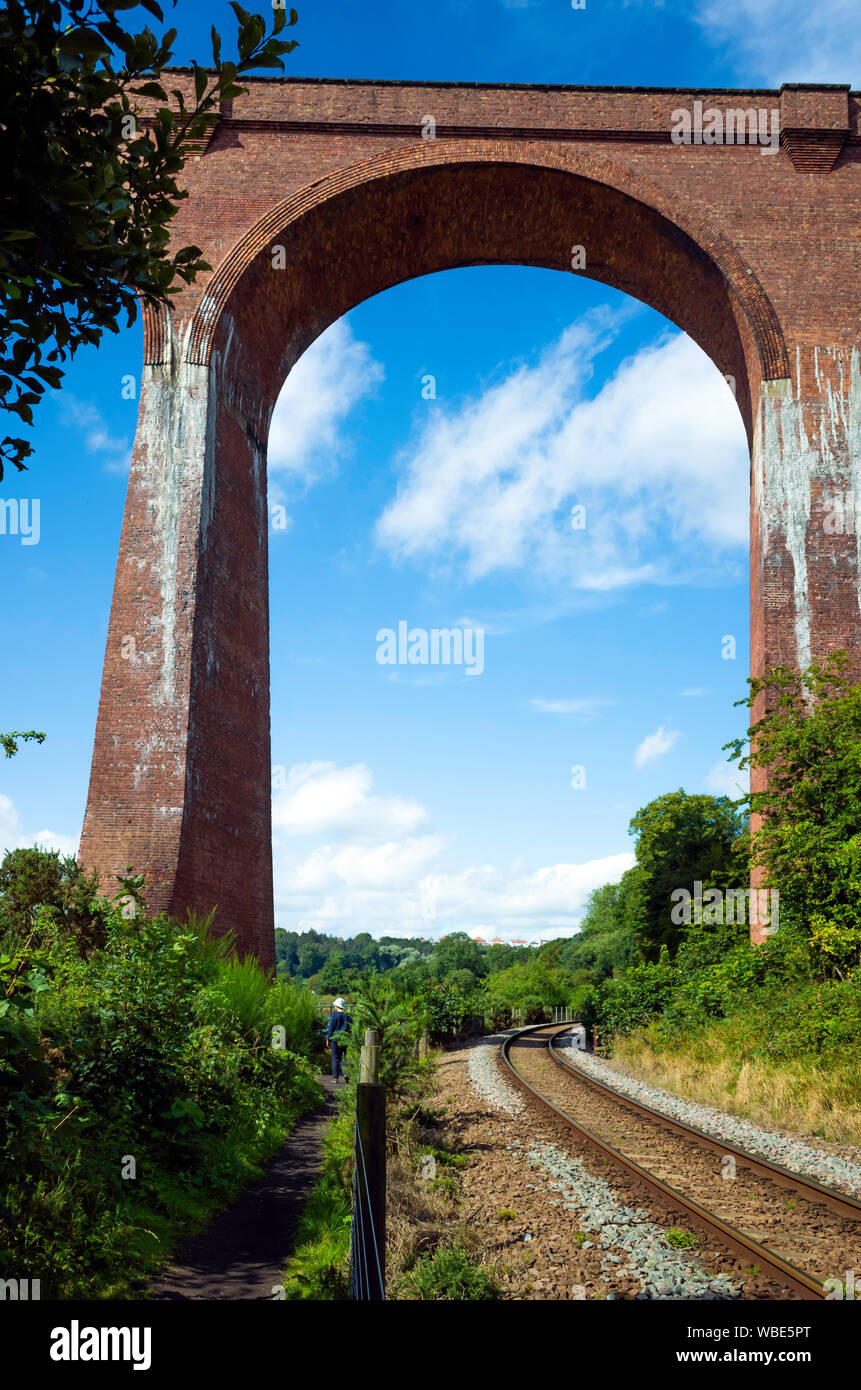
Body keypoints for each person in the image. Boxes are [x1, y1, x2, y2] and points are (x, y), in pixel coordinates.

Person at [325, 997, 351, 1083]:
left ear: (336, 1005)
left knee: (335, 1058)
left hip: (335, 1039)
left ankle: (335, 1078)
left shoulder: (334, 1015)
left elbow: (331, 1027)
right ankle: (346, 1074)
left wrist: (328, 1038)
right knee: (343, 1058)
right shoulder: (347, 1017)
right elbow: (351, 1029)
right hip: (344, 1039)